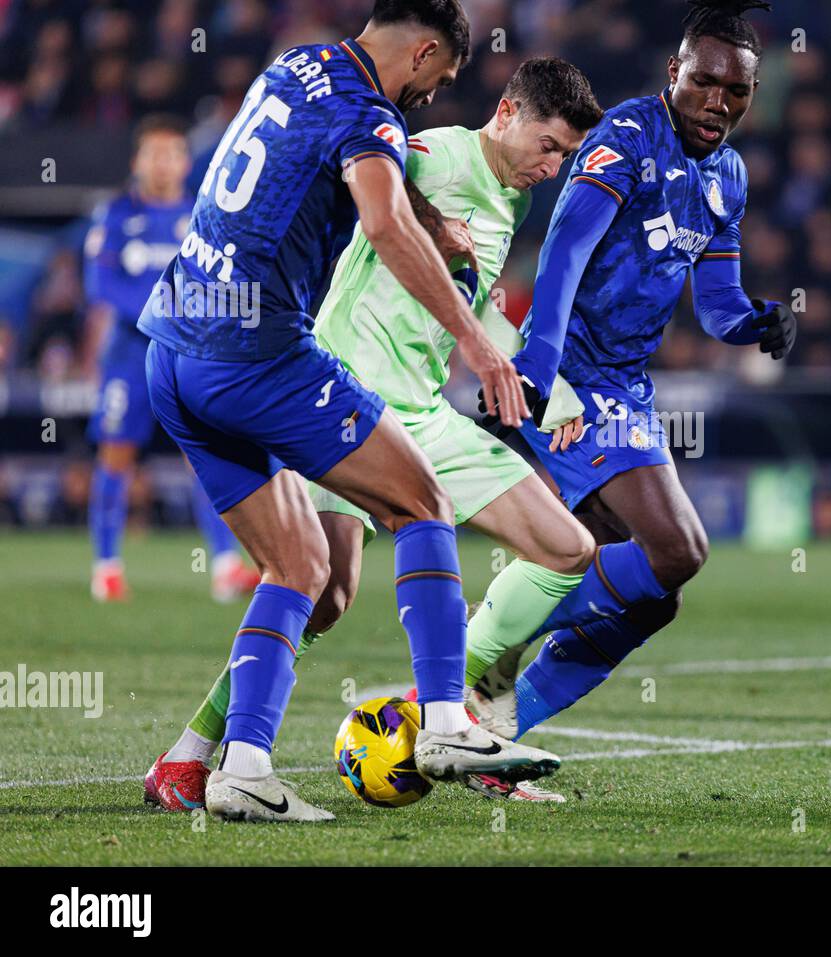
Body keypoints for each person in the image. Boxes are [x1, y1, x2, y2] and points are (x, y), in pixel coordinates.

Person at [145, 56, 603, 810]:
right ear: (509, 112)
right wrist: (430, 220)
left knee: (566, 548)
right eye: (548, 146)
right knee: (319, 589)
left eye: (566, 158)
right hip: (342, 395)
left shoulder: (509, 203)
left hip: (421, 408)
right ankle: (199, 754)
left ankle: (449, 717)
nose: (552, 168)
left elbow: (470, 304)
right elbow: (381, 197)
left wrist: (553, 398)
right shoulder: (435, 153)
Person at [462, 0, 797, 742]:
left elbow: (715, 304)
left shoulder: (728, 178)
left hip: (627, 388)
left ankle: (497, 726)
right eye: (705, 81)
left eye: (737, 90)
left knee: (651, 596)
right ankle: (473, 645)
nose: (719, 102)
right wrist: (542, 365)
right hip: (576, 377)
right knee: (678, 550)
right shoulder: (628, 136)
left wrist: (756, 320)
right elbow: (566, 245)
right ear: (673, 72)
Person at [84, 114, 259, 603]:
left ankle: (225, 566)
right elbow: (100, 285)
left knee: (201, 455)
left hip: (188, 357)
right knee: (117, 454)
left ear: (186, 162)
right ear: (138, 160)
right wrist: (161, 312)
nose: (163, 163)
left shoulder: (203, 215)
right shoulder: (115, 215)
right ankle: (107, 567)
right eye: (154, 153)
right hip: (129, 356)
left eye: (173, 153)